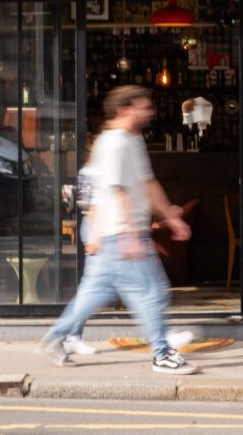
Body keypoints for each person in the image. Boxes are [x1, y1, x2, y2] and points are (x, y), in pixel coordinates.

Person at [39, 85, 197, 375]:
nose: (149, 111)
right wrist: (131, 234)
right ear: (124, 109)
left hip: (119, 235)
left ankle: (57, 336)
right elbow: (117, 189)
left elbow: (147, 184)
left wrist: (171, 218)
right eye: (143, 106)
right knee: (152, 291)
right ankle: (162, 353)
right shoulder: (112, 143)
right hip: (122, 234)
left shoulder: (132, 140)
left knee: (93, 294)